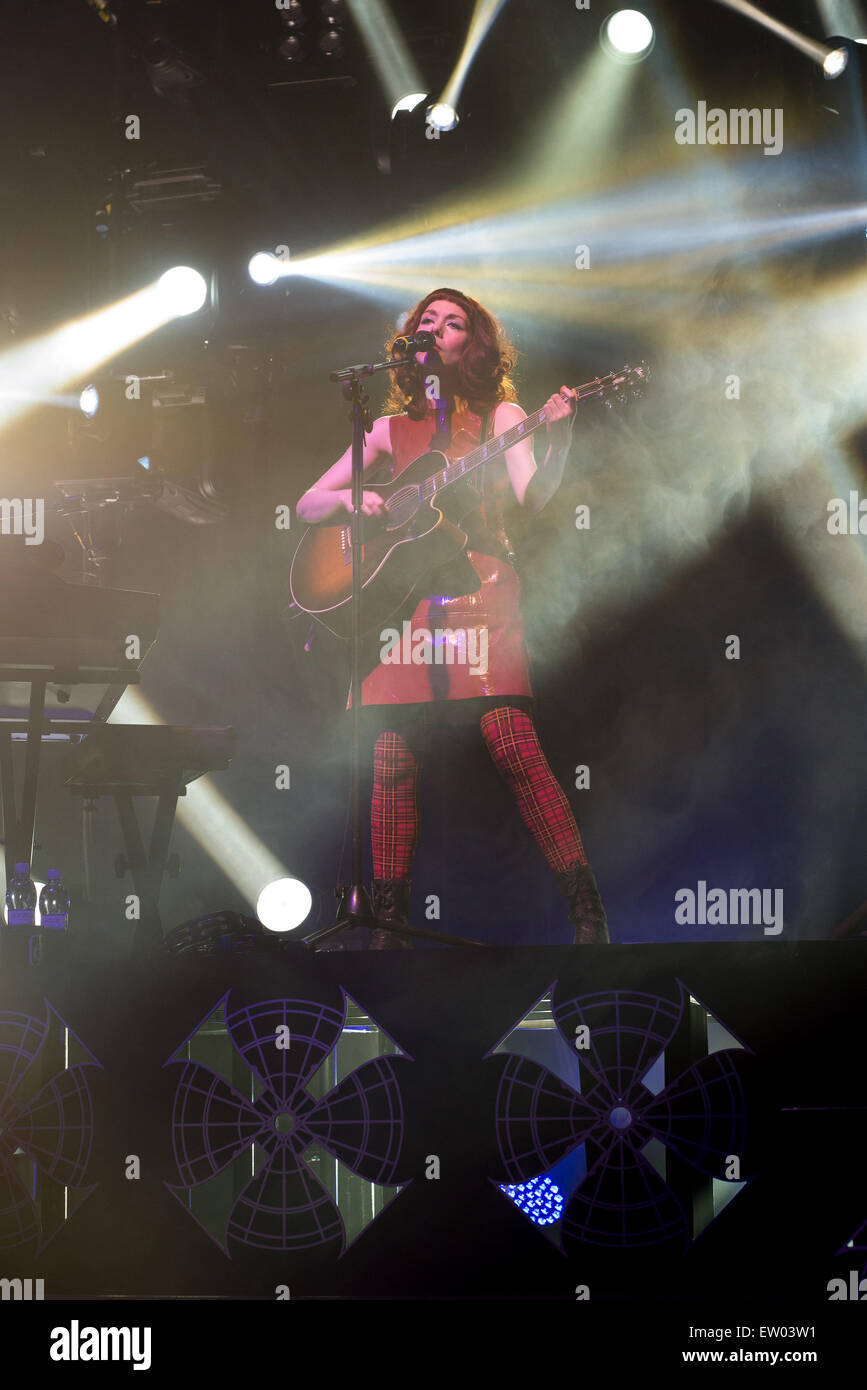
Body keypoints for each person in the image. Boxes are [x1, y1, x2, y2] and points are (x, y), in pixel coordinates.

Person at [296, 288, 609, 948]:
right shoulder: (385, 429)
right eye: (427, 321)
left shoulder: (502, 414)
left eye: (454, 322)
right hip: (405, 598)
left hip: (480, 590)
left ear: (476, 344)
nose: (437, 328)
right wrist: (363, 504)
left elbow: (531, 497)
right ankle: (388, 928)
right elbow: (306, 506)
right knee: (389, 762)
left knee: (513, 747)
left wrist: (562, 434)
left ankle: (587, 914)